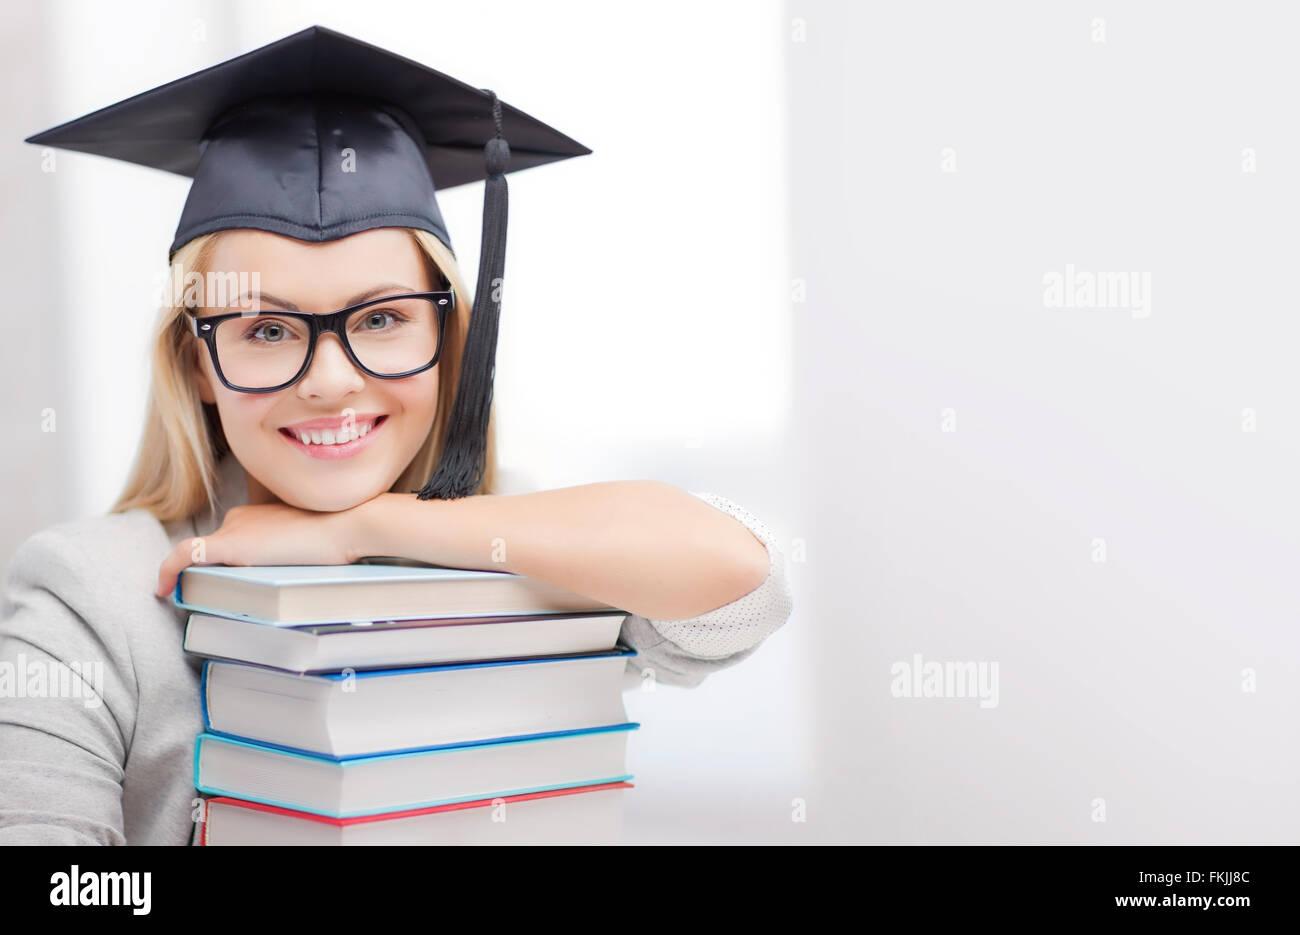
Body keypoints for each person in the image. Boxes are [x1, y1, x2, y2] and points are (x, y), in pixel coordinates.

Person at [0, 25, 793, 845]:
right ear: (196, 361)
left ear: (449, 344)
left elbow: (745, 579)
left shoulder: (525, 547)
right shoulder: (92, 594)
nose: (330, 380)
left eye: (381, 318)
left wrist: (363, 530)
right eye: (266, 330)